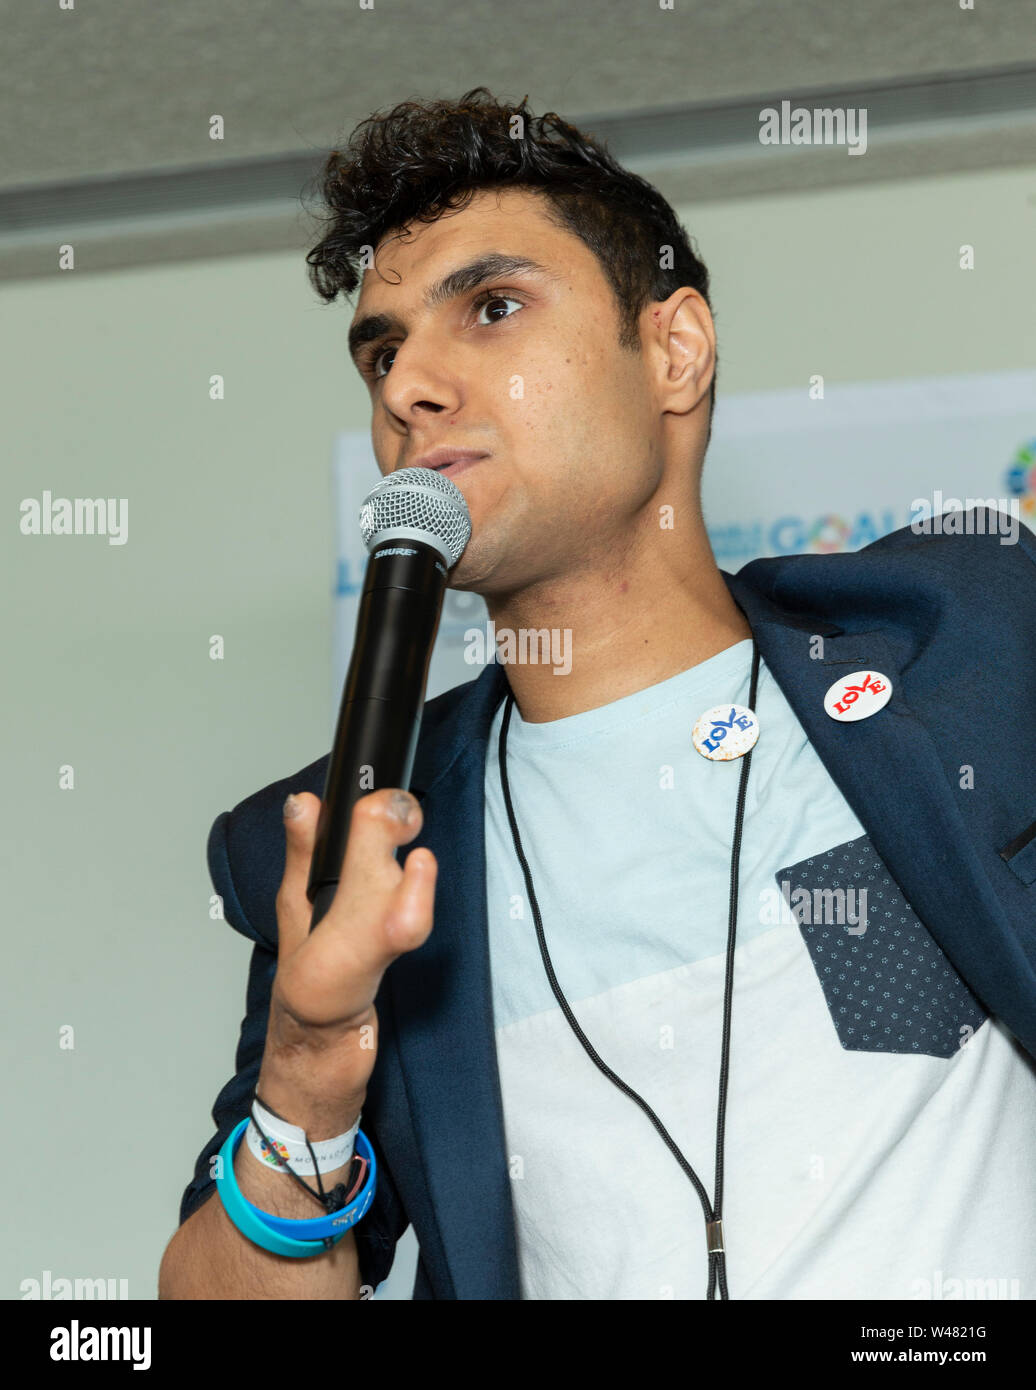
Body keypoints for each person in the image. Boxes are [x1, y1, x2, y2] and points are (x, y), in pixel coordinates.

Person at [159, 88, 1036, 1301]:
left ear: (673, 351)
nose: (410, 382)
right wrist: (310, 1060)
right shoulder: (351, 841)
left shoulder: (977, 639)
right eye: (381, 351)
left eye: (494, 307)